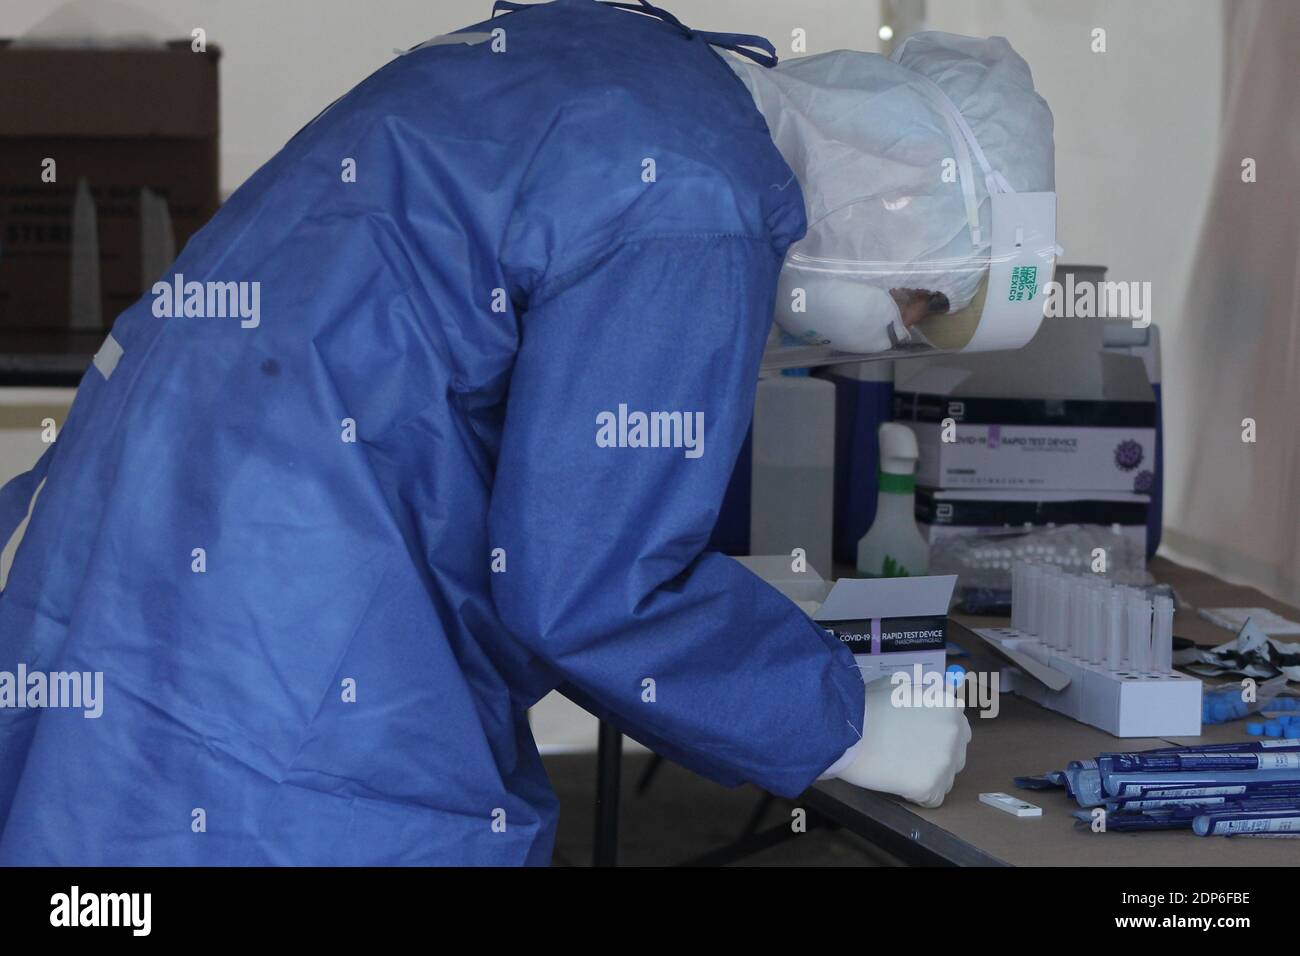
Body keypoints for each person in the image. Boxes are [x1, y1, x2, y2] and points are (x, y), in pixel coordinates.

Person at [0, 0, 967, 866]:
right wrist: (841, 726)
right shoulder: (696, 191)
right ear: (886, 210)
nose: (907, 333)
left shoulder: (597, 62)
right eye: (919, 305)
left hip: (139, 526)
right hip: (298, 617)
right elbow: (594, 586)